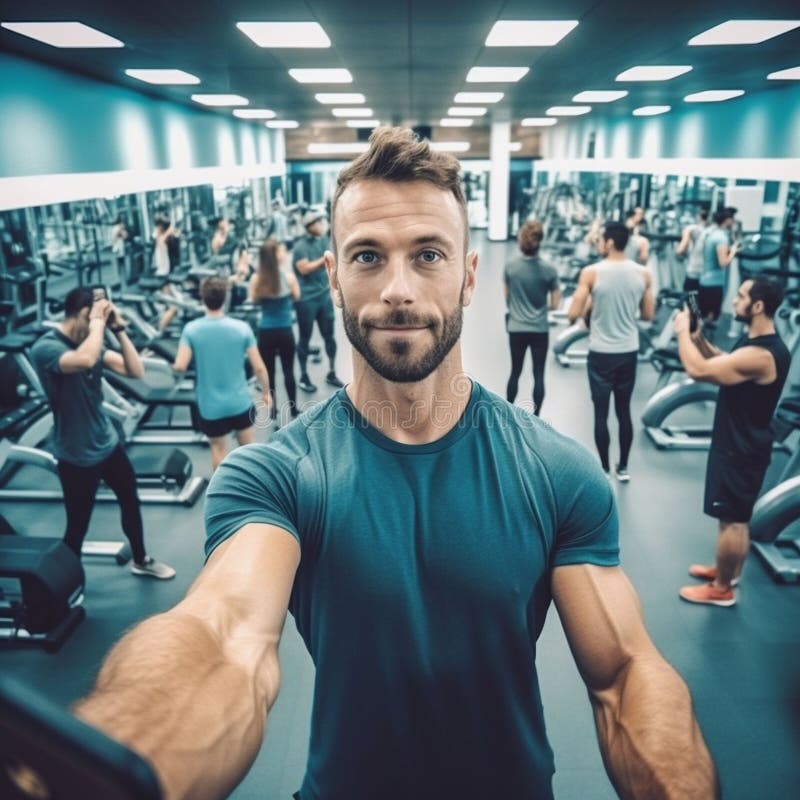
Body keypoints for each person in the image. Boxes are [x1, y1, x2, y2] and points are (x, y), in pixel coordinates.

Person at [73, 127, 716, 800]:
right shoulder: (277, 476)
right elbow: (225, 640)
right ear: (335, 279)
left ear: (469, 276)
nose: (398, 290)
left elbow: (625, 674)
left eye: (429, 254)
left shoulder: (556, 471)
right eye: (368, 257)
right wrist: (108, 765)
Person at [29, 287, 175, 580]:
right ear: (84, 314)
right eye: (95, 318)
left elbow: (135, 371)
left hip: (108, 444)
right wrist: (97, 323)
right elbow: (82, 360)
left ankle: (141, 558)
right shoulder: (46, 348)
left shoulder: (89, 341)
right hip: (76, 454)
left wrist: (118, 329)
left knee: (130, 501)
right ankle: (69, 585)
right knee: (77, 526)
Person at [675, 277, 791, 606]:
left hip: (740, 447)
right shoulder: (759, 343)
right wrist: (699, 340)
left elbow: (698, 370)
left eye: (740, 296)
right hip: (744, 442)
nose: (734, 301)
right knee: (736, 518)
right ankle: (727, 571)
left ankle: (722, 589)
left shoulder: (762, 354)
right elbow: (723, 361)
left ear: (757, 306)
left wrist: (683, 332)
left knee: (732, 520)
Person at [567, 221, 655, 481]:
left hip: (601, 353)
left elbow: (574, 315)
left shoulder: (591, 273)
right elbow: (648, 315)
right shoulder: (644, 274)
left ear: (608, 242)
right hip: (628, 351)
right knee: (624, 411)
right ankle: (624, 468)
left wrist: (591, 304)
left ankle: (604, 469)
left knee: (601, 413)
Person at [173, 277, 272, 471]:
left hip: (211, 407)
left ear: (202, 298)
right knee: (249, 450)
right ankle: (253, 491)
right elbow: (259, 367)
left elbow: (180, 366)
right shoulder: (241, 328)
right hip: (239, 403)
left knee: (218, 451)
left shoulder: (191, 330)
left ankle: (222, 494)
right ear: (225, 298)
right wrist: (266, 393)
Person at [504, 219, 561, 415]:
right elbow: (555, 305)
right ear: (540, 241)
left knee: (515, 372)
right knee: (538, 375)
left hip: (516, 328)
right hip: (539, 329)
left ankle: (509, 413)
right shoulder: (550, 270)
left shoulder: (510, 267)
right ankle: (536, 418)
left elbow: (508, 300)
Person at [249, 238, 301, 420]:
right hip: (285, 330)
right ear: (275, 256)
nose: (284, 254)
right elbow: (296, 296)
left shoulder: (257, 279)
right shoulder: (288, 277)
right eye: (281, 251)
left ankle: (273, 410)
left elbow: (253, 299)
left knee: (269, 372)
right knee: (288, 371)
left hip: (266, 332)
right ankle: (293, 409)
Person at [292, 210, 344, 392]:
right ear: (309, 226)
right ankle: (304, 377)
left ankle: (331, 372)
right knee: (305, 339)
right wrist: (324, 260)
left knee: (329, 337)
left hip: (323, 297)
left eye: (322, 222)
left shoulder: (323, 241)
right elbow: (304, 269)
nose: (321, 225)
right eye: (318, 223)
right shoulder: (300, 247)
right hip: (306, 300)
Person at [699, 208, 740, 322]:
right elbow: (723, 263)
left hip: (706, 281)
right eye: (732, 219)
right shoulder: (721, 238)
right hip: (713, 284)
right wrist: (733, 251)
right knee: (710, 317)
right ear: (727, 220)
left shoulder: (713, 234)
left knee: (704, 316)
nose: (733, 222)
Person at [676, 207, 709, 293]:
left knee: (689, 302)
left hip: (693, 272)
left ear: (698, 217)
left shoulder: (691, 229)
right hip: (707, 275)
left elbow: (680, 249)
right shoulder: (711, 231)